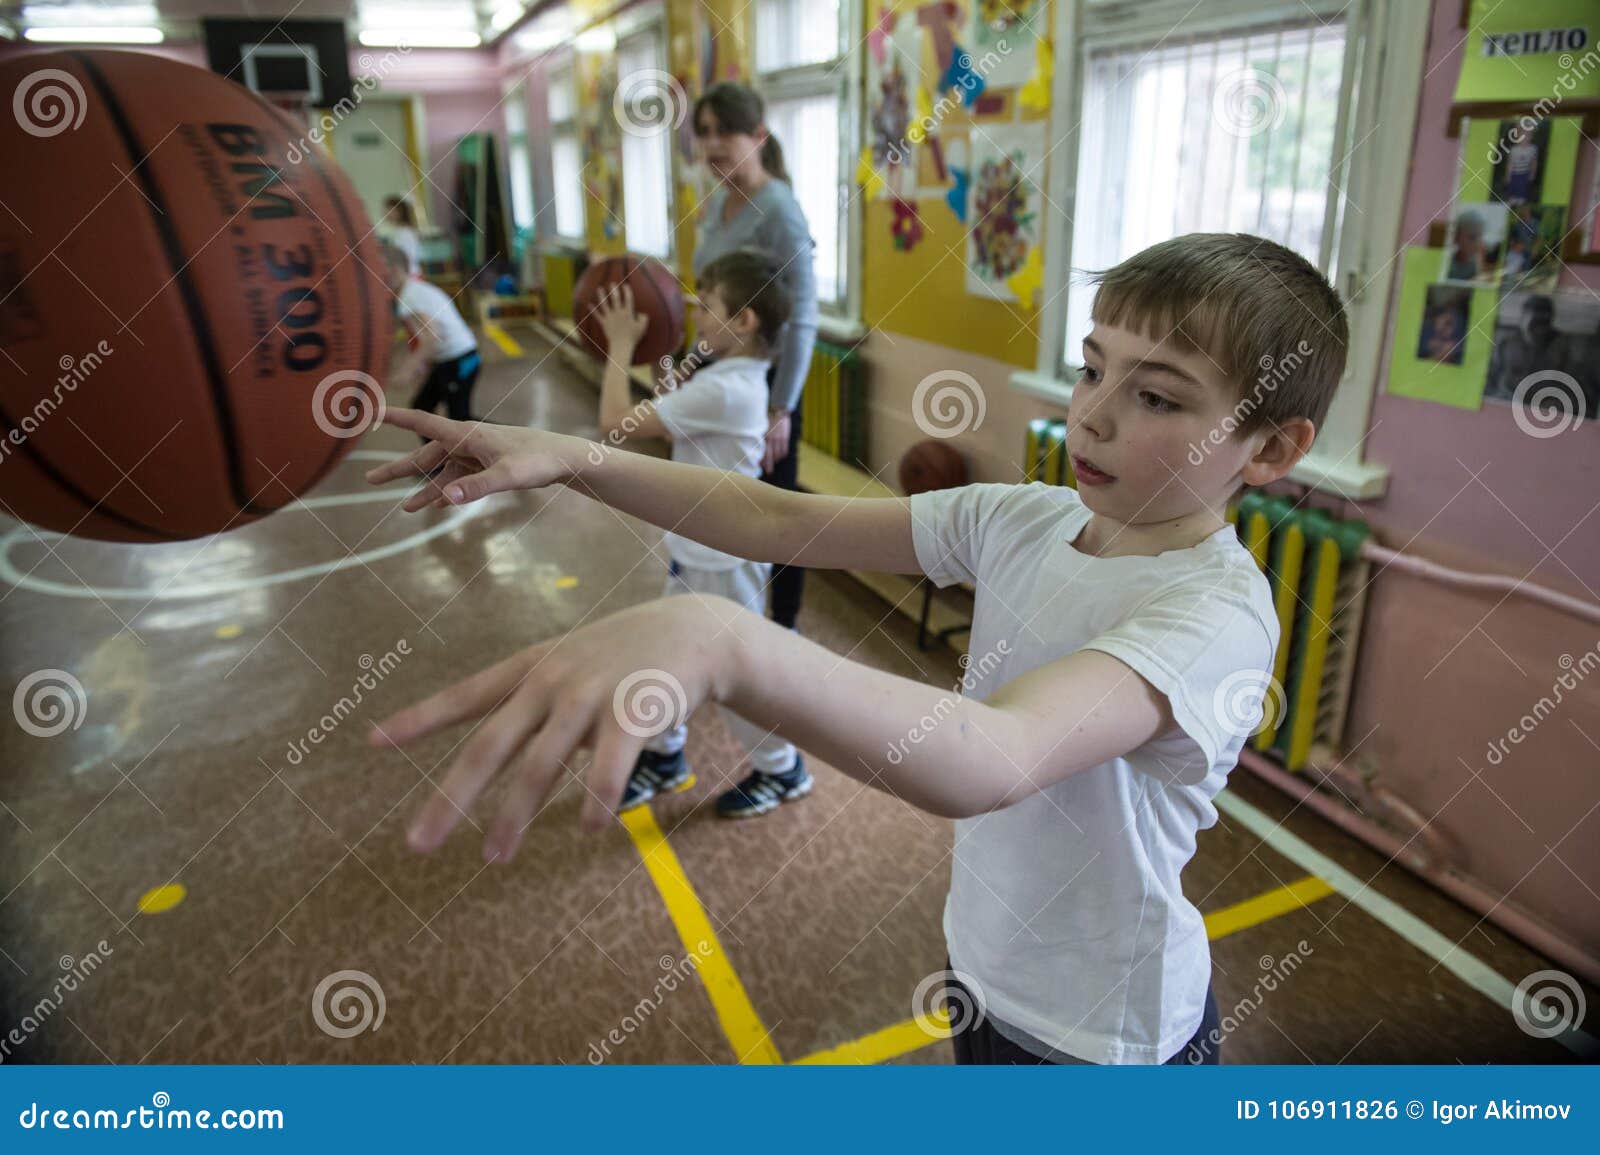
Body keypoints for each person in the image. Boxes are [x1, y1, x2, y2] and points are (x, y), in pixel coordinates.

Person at [365, 232, 1347, 1065]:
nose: (1092, 412)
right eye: (1093, 369)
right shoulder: (1022, 519)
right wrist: (576, 461)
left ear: (1268, 450)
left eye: (1158, 399)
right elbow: (771, 516)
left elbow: (991, 755)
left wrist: (724, 635)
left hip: (1109, 1037)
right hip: (984, 967)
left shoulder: (1213, 615)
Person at [587, 249, 813, 818]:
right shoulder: (731, 378)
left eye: (708, 307)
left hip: (722, 559)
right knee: (664, 659)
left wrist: (617, 343)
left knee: (737, 679)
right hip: (701, 550)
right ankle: (665, 755)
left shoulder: (730, 388)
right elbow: (673, 417)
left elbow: (616, 424)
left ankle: (783, 769)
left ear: (745, 321)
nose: (698, 317)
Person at [691, 82, 819, 632]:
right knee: (727, 500)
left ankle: (784, 628)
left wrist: (781, 407)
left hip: (767, 390)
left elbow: (804, 313)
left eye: (725, 130)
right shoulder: (718, 202)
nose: (713, 144)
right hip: (723, 372)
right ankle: (728, 614)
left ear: (759, 135)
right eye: (704, 133)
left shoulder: (778, 209)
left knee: (778, 515)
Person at [381, 242, 481, 423]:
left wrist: (407, 370)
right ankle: (440, 450)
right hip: (447, 361)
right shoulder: (412, 290)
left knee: (461, 420)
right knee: (422, 406)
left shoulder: (410, 297)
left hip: (460, 360)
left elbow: (431, 337)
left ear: (394, 270)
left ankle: (513, 439)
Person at [383, 195, 422, 276]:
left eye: (389, 210)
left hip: (410, 275)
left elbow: (409, 257)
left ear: (399, 212)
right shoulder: (398, 231)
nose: (386, 213)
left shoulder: (406, 232)